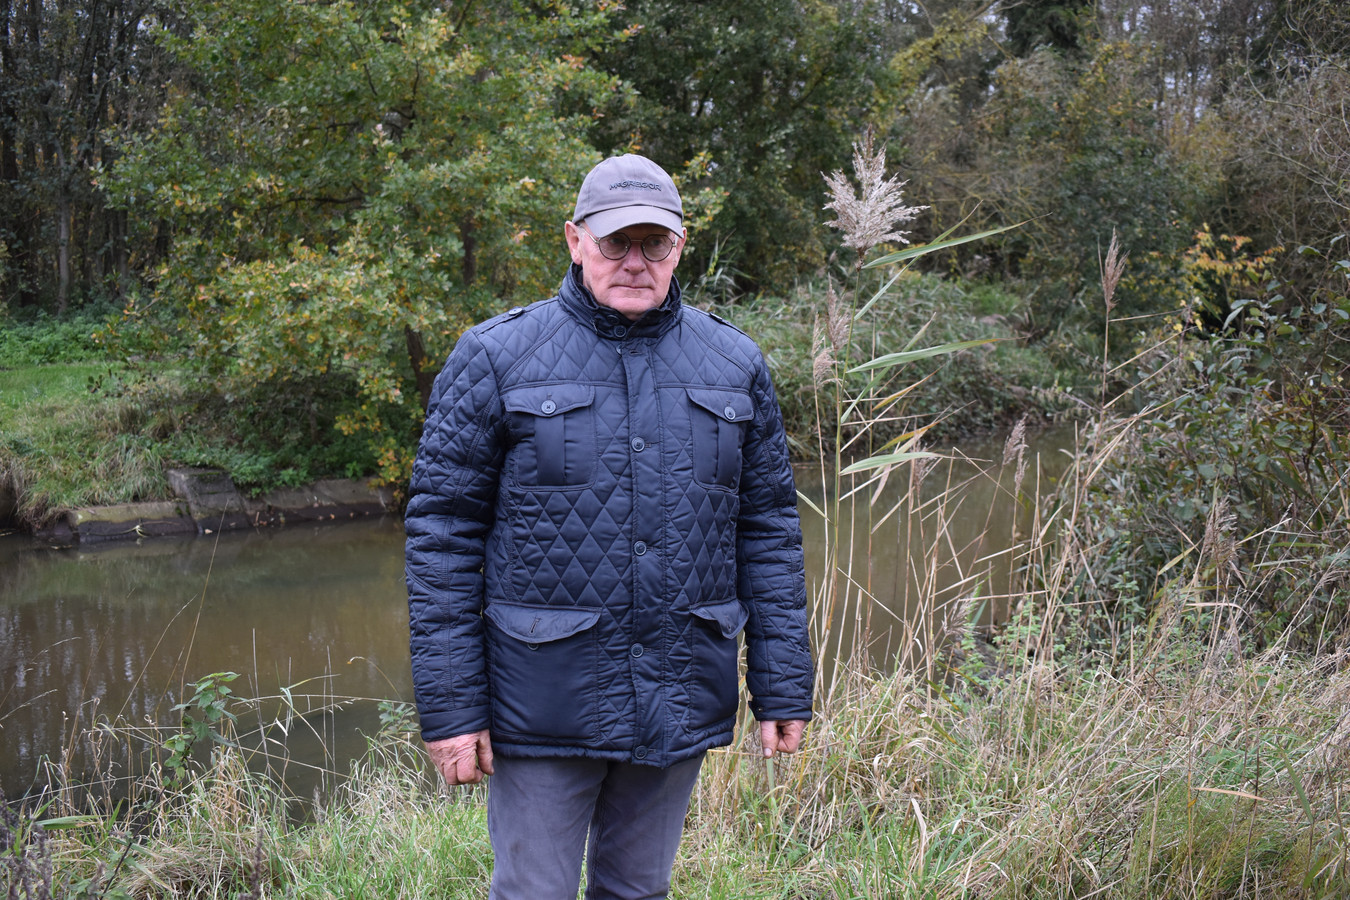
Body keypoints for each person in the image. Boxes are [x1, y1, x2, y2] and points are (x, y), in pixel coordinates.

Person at [405, 153, 813, 899]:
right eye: (615, 241)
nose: (634, 260)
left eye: (652, 243)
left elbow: (769, 530)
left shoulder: (734, 362)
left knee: (637, 892)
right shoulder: (495, 356)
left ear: (679, 246)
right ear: (574, 240)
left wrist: (783, 686)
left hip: (679, 685)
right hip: (541, 698)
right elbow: (442, 535)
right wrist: (454, 707)